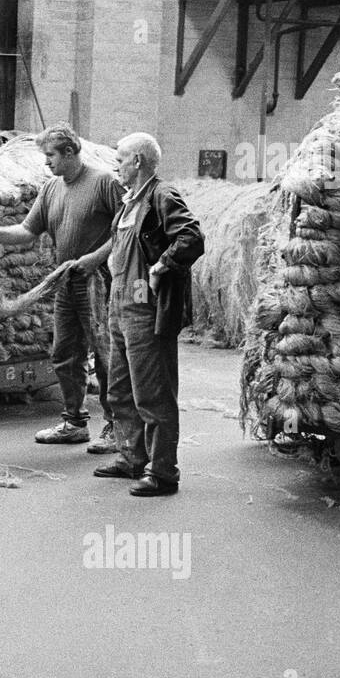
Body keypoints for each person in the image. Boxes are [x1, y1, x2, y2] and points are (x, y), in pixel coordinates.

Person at [55, 132, 203, 496]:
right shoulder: (126, 203)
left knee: (153, 394)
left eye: (120, 159)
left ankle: (163, 471)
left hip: (145, 310)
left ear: (137, 161)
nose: (116, 166)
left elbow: (192, 237)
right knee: (120, 390)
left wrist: (161, 267)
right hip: (118, 308)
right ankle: (132, 457)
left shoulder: (161, 195)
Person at [0, 123, 121, 453]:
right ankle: (75, 423)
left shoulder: (104, 182)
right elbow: (26, 231)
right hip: (66, 285)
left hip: (99, 286)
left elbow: (126, 231)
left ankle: (117, 426)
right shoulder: (51, 189)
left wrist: (94, 258)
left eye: (50, 155)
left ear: (70, 151)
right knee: (65, 354)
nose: (46, 162)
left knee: (107, 357)